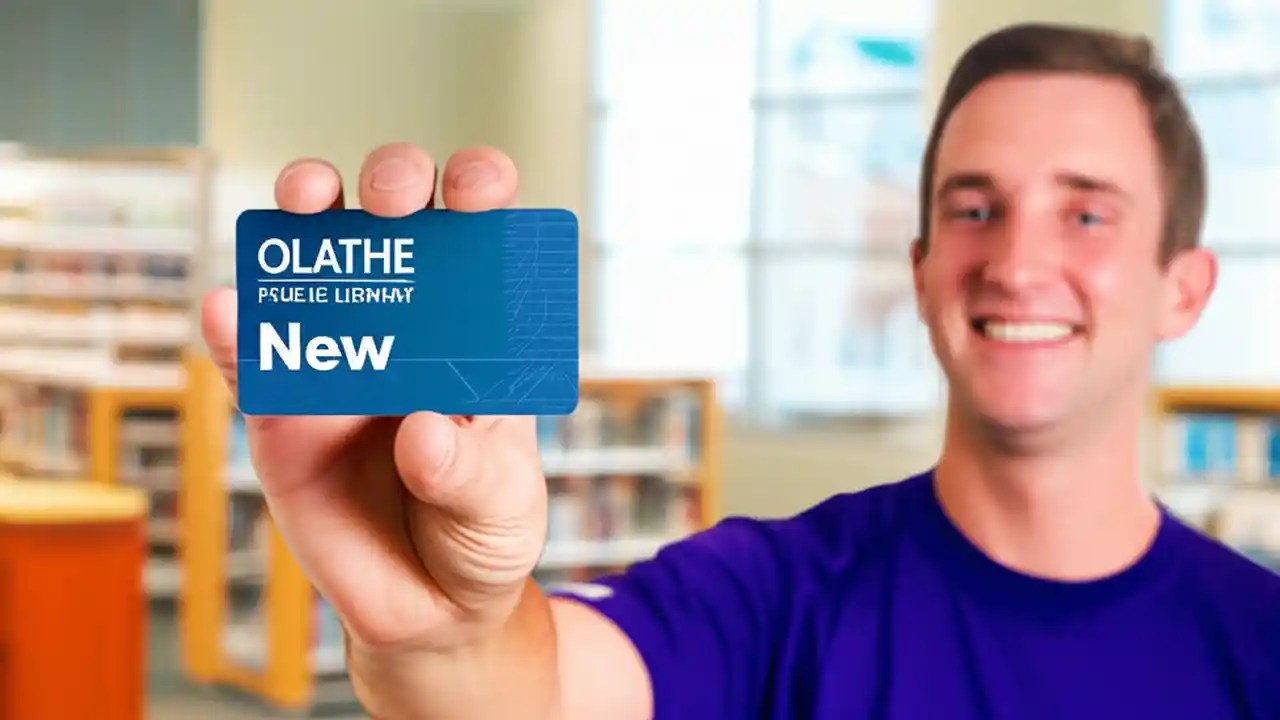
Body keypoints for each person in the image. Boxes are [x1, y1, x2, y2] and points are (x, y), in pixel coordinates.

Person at [199, 21, 1280, 720]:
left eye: (1086, 213)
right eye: (973, 208)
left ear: (1184, 288)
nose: (1017, 262)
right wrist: (445, 635)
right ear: (919, 271)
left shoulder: (1260, 645)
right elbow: (545, 690)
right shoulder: (769, 594)